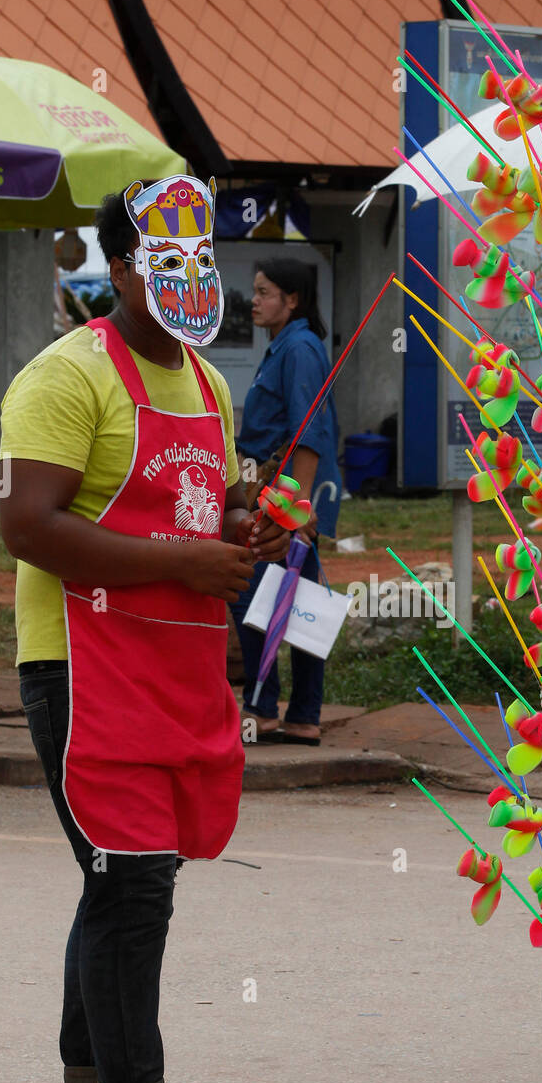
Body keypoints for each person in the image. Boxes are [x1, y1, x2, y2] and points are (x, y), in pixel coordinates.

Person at [0, 176, 289, 1083]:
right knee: (133, 883)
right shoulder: (63, 375)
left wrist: (247, 519)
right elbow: (27, 526)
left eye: (201, 256)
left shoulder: (206, 383)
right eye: (163, 259)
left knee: (115, 881)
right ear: (116, 265)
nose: (189, 275)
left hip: (172, 664)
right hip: (80, 666)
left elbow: (217, 497)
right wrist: (180, 559)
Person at [232, 258, 342, 745]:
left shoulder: (299, 347)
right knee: (297, 599)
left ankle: (265, 708)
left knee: (251, 595)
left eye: (264, 292)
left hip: (286, 498)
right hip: (276, 493)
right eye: (255, 292)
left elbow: (308, 431)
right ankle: (300, 716)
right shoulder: (287, 345)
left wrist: (297, 510)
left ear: (292, 299)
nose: (254, 300)